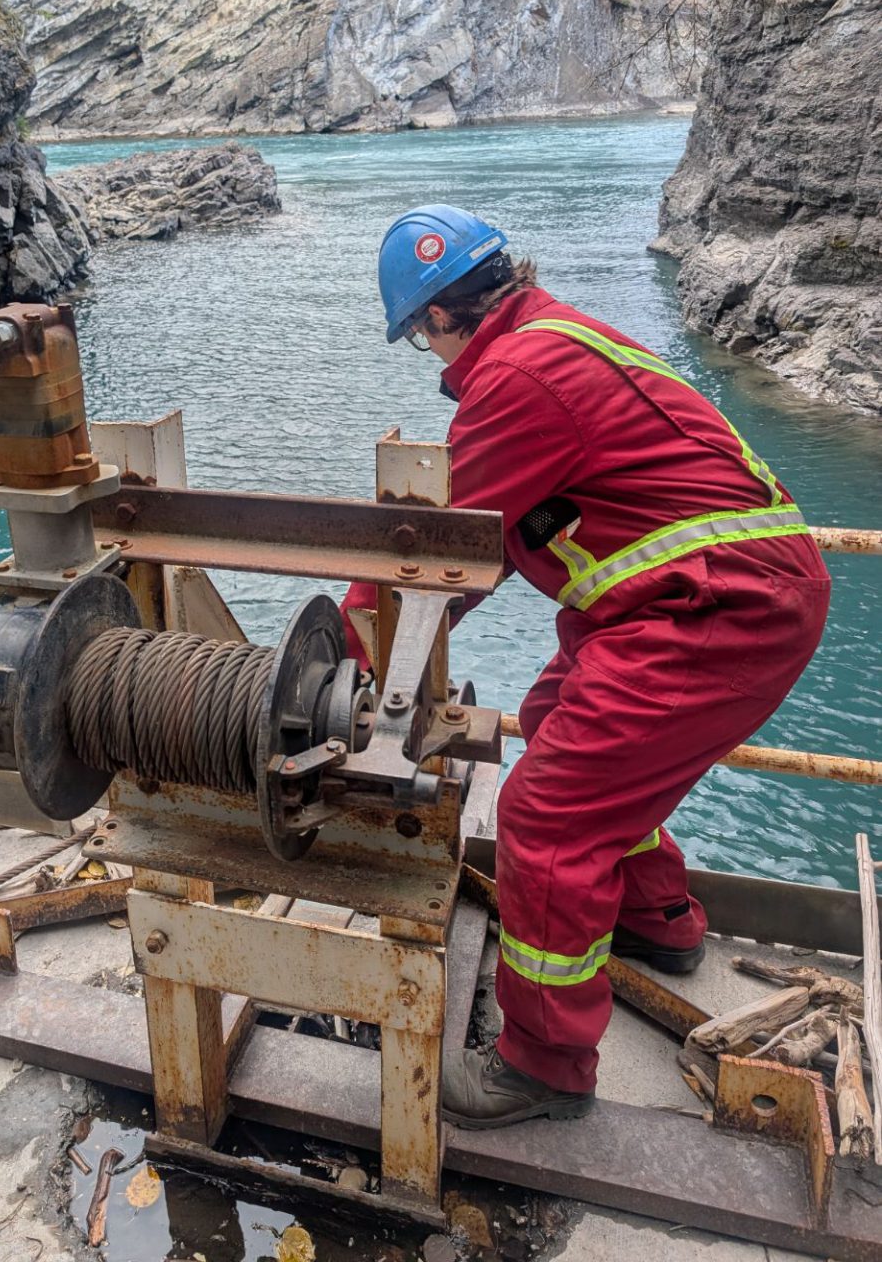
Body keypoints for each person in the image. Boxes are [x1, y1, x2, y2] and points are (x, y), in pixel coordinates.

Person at [340, 204, 831, 1130]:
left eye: (419, 338)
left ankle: (545, 1067)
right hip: (702, 595)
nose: (428, 353)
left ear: (438, 321)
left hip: (719, 607)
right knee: (565, 722)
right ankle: (659, 923)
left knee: (551, 810)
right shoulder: (553, 336)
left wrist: (336, 656)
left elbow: (446, 556)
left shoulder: (520, 379)